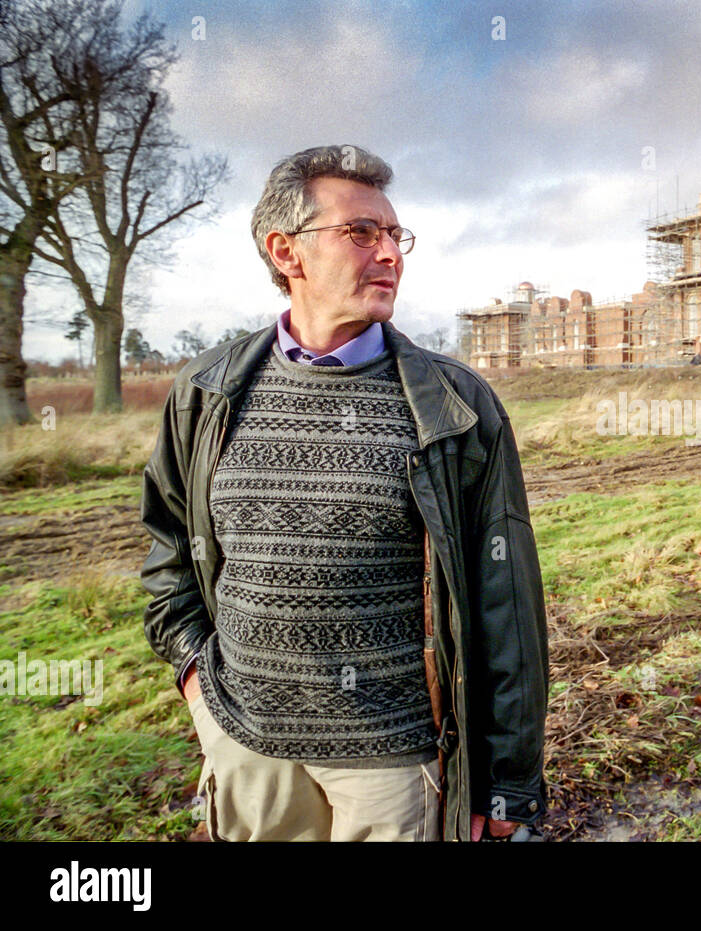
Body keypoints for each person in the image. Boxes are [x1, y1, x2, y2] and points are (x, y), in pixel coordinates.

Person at [139, 144, 548, 841]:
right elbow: (169, 552)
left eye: (395, 235)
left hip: (395, 762)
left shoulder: (455, 404)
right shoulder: (206, 394)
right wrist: (197, 684)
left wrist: (508, 783)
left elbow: (505, 603)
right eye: (362, 231)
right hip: (247, 745)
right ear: (286, 250)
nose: (389, 252)